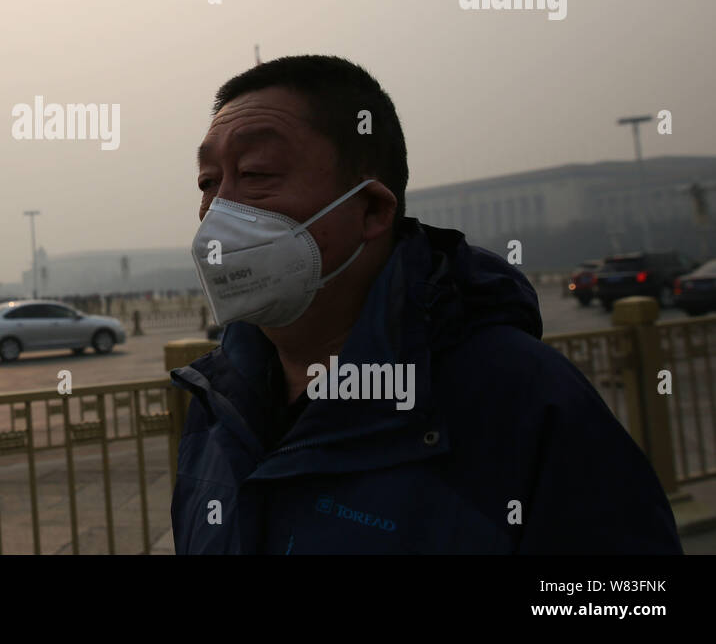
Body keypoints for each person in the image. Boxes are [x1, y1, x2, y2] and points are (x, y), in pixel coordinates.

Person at [172, 55, 682, 554]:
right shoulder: (218, 406)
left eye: (257, 173)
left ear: (371, 209)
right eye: (208, 182)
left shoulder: (521, 403)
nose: (217, 210)